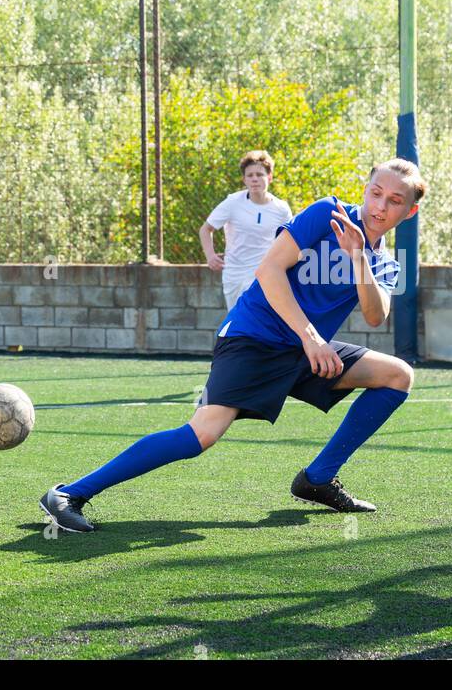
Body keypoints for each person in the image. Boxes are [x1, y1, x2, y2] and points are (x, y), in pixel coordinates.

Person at [40, 159, 425, 532]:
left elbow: (376, 315)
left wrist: (358, 257)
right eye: (376, 193)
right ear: (365, 189)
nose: (380, 206)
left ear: (409, 212)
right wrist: (311, 339)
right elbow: (268, 270)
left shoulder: (384, 260)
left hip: (306, 350)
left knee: (396, 376)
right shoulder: (327, 213)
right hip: (254, 338)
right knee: (201, 435)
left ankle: (318, 479)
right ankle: (69, 494)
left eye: (394, 201)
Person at [199, 150, 293, 309]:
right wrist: (210, 256)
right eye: (250, 175)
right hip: (235, 274)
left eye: (259, 174)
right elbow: (206, 229)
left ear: (269, 177)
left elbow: (290, 241)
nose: (255, 179)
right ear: (244, 179)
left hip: (266, 274)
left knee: (261, 321)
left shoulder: (281, 209)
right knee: (238, 324)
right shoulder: (232, 202)